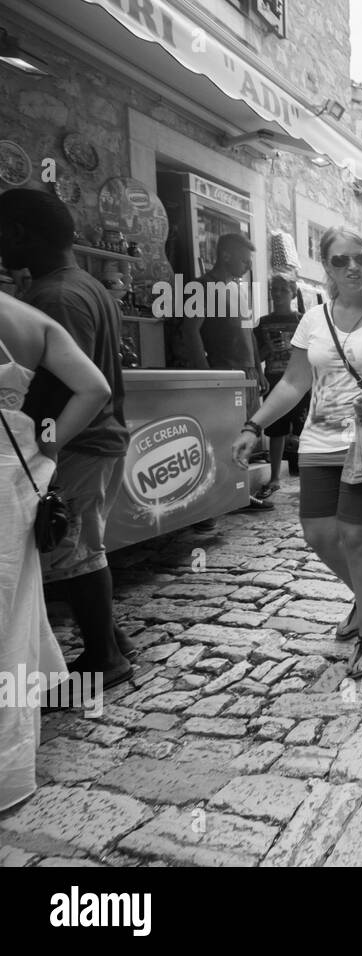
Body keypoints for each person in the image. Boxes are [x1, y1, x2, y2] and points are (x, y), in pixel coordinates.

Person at [232, 227, 362, 678]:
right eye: (341, 261)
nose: (353, 266)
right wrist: (254, 425)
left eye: (360, 258)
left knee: (358, 539)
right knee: (320, 535)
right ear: (328, 268)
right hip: (320, 444)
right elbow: (293, 382)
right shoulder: (313, 321)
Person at [0, 188, 133, 690]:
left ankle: (105, 658)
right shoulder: (84, 287)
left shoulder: (56, 296)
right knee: (80, 546)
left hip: (79, 444)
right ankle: (113, 643)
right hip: (94, 441)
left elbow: (71, 387)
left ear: (18, 233)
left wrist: (45, 445)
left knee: (73, 552)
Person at [0, 293, 114, 810]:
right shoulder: (29, 319)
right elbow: (93, 387)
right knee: (15, 610)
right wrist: (48, 442)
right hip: (12, 475)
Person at [185, 231, 270, 521]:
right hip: (222, 374)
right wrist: (205, 376)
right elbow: (190, 331)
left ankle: (238, 493)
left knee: (245, 435)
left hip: (245, 374)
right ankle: (207, 506)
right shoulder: (202, 287)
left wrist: (258, 371)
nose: (247, 265)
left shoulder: (238, 289)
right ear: (225, 255)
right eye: (244, 259)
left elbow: (249, 334)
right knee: (217, 440)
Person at [252, 272, 310, 501]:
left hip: (301, 384)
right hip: (275, 381)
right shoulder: (264, 323)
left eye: (282, 290)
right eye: (273, 290)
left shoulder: (303, 320)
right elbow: (255, 352)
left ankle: (308, 480)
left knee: (304, 433)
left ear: (293, 293)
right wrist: (258, 374)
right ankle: (274, 478)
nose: (277, 294)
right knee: (276, 431)